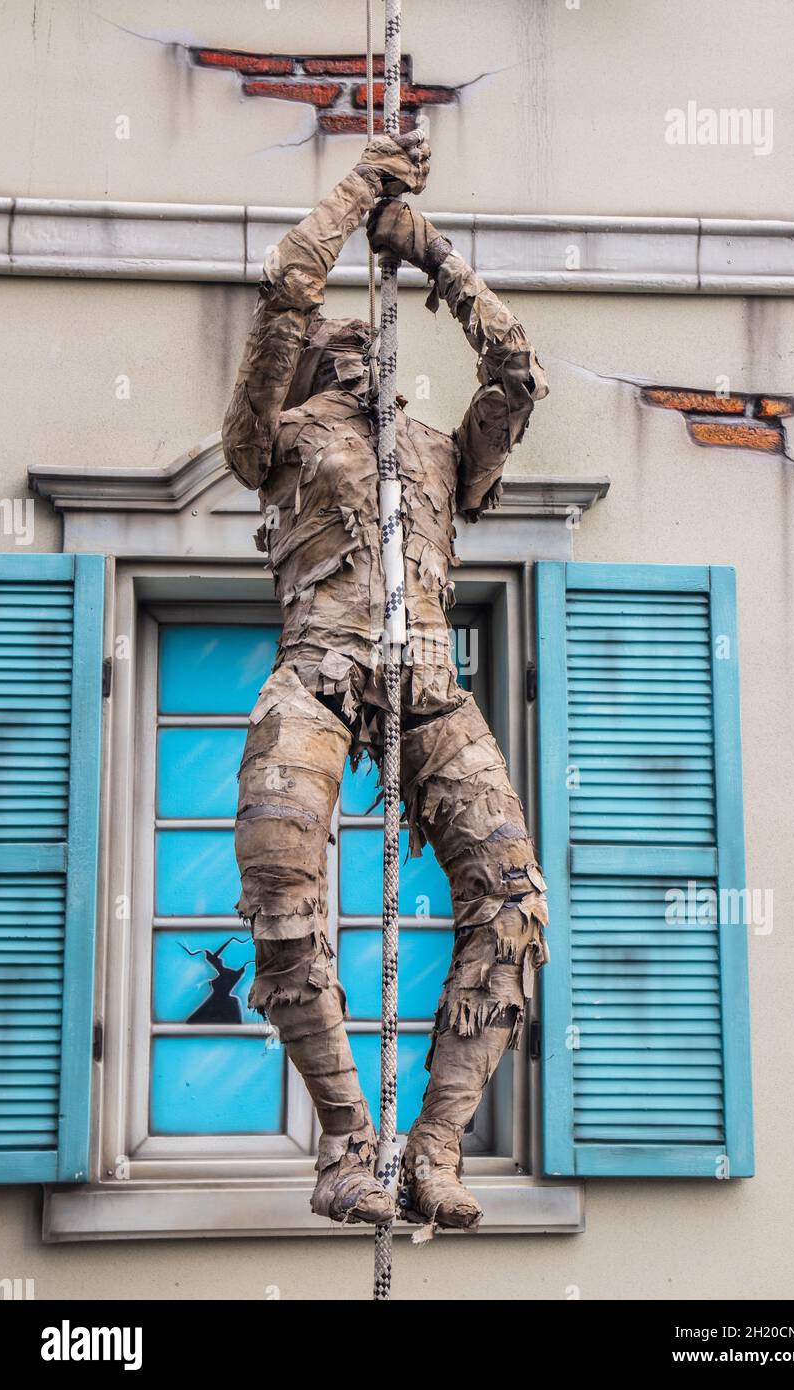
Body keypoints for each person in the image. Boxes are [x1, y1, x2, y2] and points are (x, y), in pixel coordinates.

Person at [222, 130, 549, 1231]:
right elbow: (284, 288)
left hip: (429, 690)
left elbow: (516, 375)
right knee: (278, 881)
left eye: (375, 339)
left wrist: (435, 256)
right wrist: (361, 188)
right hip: (314, 676)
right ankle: (343, 1139)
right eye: (341, 343)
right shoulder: (274, 436)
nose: (363, 344)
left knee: (510, 906)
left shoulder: (438, 451)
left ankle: (435, 1145)